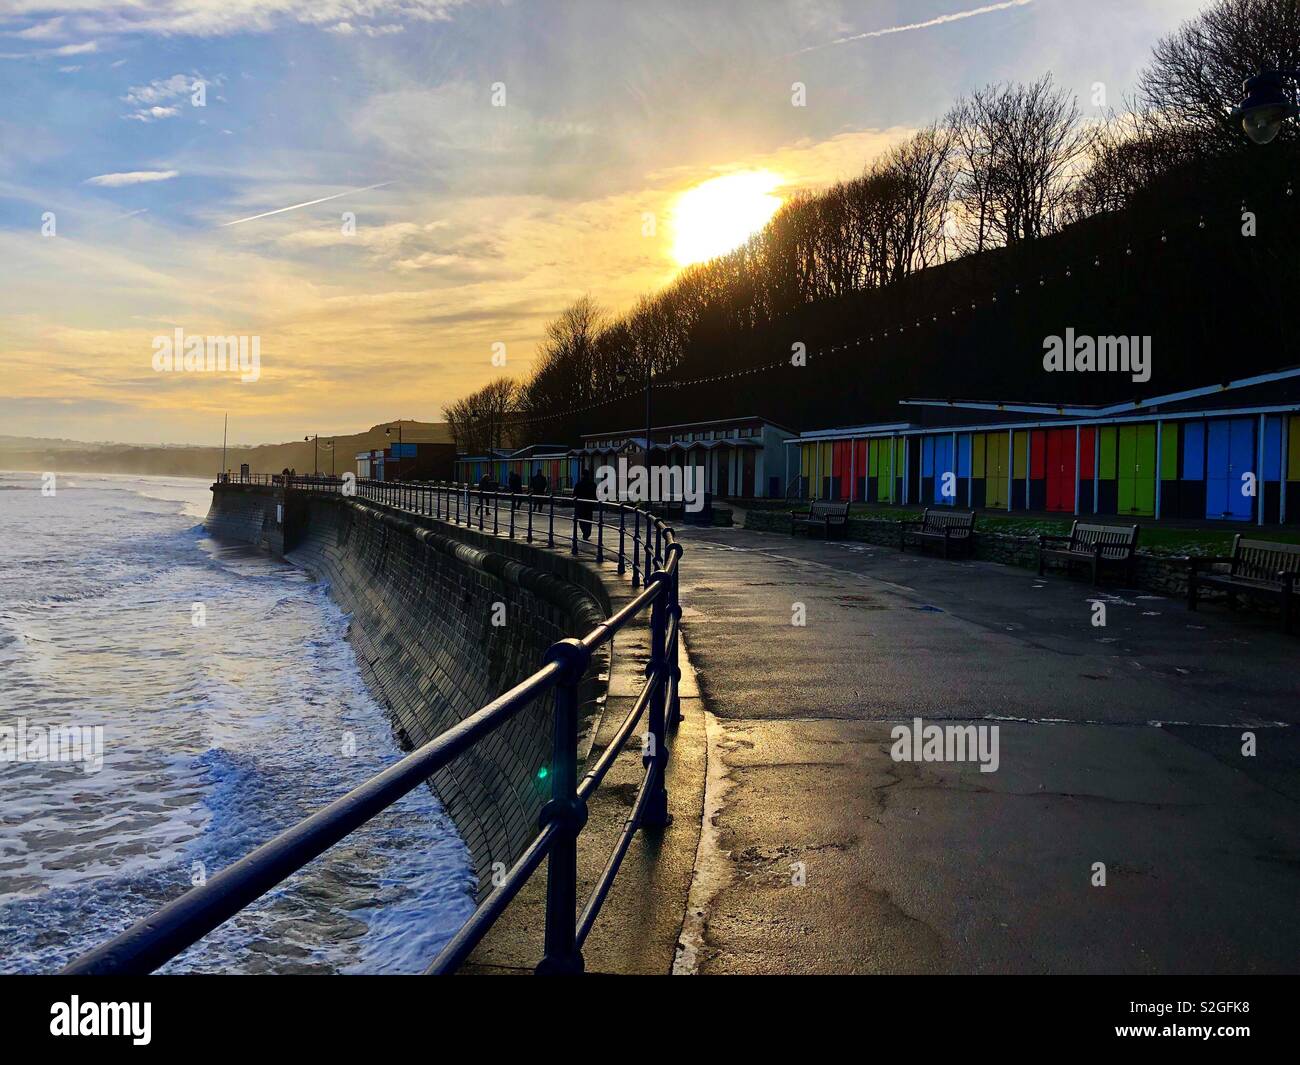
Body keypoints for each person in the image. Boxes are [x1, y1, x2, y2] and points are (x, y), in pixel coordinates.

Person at [574, 466, 597, 541]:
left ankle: (585, 532)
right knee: (589, 520)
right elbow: (595, 495)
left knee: (581, 520)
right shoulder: (593, 484)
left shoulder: (578, 484)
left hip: (580, 505)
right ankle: (587, 533)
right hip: (589, 505)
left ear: (582, 475)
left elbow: (574, 495)